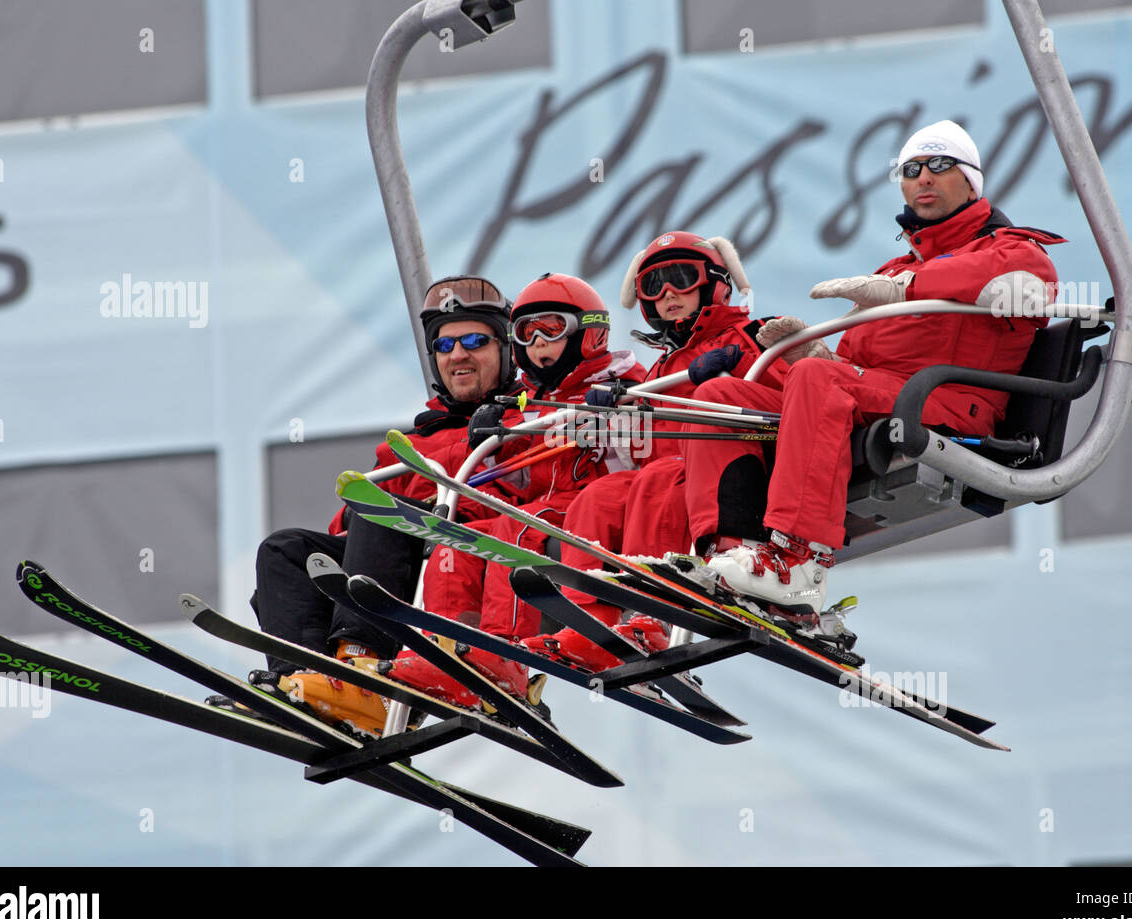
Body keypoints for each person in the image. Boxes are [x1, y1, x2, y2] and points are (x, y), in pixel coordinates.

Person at [686, 120, 1065, 616]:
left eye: (940, 165)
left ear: (971, 181)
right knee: (720, 399)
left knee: (818, 380)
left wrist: (908, 287)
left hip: (943, 400)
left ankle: (800, 560)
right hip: (877, 393)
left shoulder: (1010, 249)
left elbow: (1032, 287)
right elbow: (855, 366)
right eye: (911, 169)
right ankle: (733, 550)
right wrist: (813, 356)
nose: (924, 178)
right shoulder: (892, 269)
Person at [237, 275, 527, 738]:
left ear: (506, 351)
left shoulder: (527, 423)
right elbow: (347, 533)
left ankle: (363, 676)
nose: (458, 354)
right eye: (445, 344)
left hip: (466, 550)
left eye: (475, 340)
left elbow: (534, 504)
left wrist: (497, 440)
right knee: (285, 549)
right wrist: (357, 517)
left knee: (385, 510)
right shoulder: (410, 443)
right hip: (396, 552)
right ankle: (303, 680)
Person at [528, 231, 793, 671]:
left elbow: (792, 403)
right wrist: (612, 412)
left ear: (714, 281)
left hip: (736, 469)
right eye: (654, 285)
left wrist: (742, 364)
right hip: (670, 471)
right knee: (600, 497)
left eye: (681, 278)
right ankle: (593, 625)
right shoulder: (661, 366)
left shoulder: (752, 335)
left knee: (657, 480)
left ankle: (653, 618)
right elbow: (644, 441)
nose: (668, 293)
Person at [382, 273, 647, 707]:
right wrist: (497, 436)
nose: (540, 343)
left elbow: (649, 450)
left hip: (598, 509)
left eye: (553, 329)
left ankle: (504, 653)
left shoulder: (618, 378)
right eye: (528, 333)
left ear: (588, 331)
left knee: (514, 530)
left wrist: (620, 411)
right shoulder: (527, 400)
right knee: (458, 543)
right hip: (549, 510)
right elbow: (518, 478)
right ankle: (450, 652)